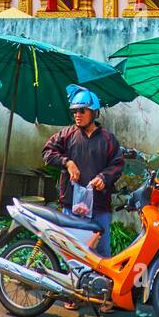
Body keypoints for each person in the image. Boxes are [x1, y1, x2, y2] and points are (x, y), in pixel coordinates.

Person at [40, 85, 124, 258]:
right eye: (74, 111)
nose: (77, 115)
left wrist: (104, 177)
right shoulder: (66, 134)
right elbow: (47, 152)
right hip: (71, 207)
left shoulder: (108, 139)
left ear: (94, 112)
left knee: (101, 256)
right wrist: (67, 162)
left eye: (82, 111)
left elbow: (117, 164)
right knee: (72, 255)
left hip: (100, 208)